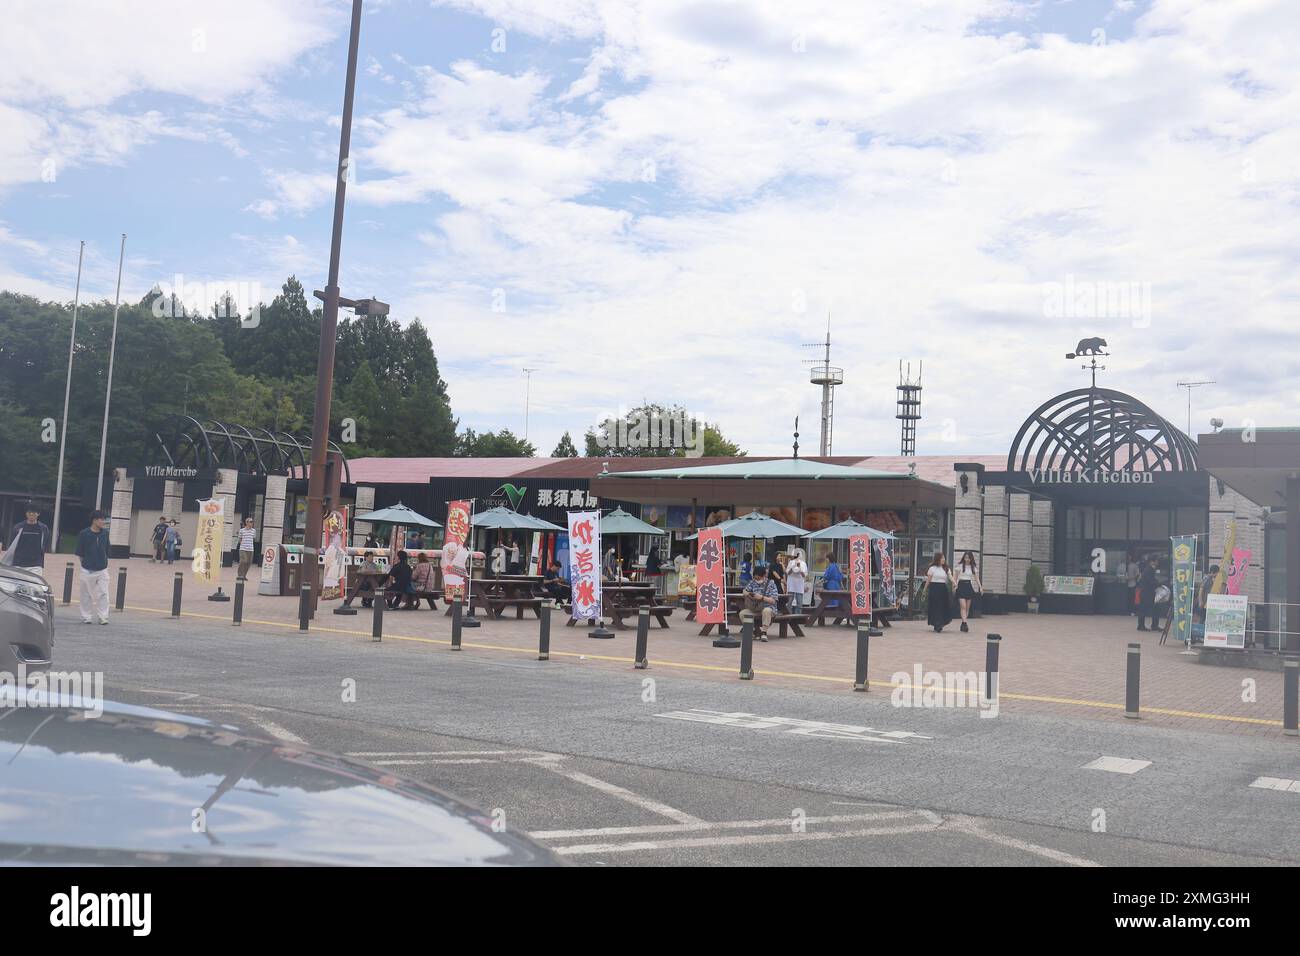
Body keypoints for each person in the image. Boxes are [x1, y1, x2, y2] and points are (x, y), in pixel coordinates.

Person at [74, 510, 111, 625]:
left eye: (104, 519)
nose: (103, 521)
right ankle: (86, 616)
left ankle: (103, 616)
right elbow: (80, 553)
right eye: (101, 519)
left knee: (104, 593)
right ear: (94, 520)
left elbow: (107, 549)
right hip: (87, 569)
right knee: (86, 594)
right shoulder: (84, 534)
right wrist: (86, 565)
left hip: (102, 569)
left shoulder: (105, 533)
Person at [6, 503, 51, 577]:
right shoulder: (18, 527)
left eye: (34, 512)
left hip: (35, 565)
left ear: (38, 514)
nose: (31, 514)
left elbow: (45, 544)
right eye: (29, 512)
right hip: (18, 564)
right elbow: (12, 544)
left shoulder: (43, 528)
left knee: (35, 586)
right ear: (26, 513)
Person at [743, 564, 780, 641]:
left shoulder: (771, 583)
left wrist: (762, 597)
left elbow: (773, 600)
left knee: (766, 611)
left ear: (764, 575)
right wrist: (748, 594)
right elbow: (745, 590)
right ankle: (754, 630)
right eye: (755, 577)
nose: (757, 579)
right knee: (743, 613)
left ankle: (764, 633)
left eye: (758, 578)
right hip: (756, 608)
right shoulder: (752, 582)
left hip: (769, 607)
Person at [921, 553, 953, 633]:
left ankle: (941, 623)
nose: (943, 560)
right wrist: (924, 590)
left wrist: (955, 583)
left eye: (944, 558)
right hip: (934, 588)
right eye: (942, 558)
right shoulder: (932, 568)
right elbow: (928, 580)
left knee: (942, 606)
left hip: (943, 589)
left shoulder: (946, 568)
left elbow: (950, 577)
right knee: (935, 606)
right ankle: (936, 623)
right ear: (937, 559)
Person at [954, 551, 982, 633]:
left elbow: (976, 578)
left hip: (969, 586)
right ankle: (964, 623)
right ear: (963, 558)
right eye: (966, 557)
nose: (967, 559)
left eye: (968, 558)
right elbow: (955, 577)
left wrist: (980, 587)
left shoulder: (973, 568)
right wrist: (954, 586)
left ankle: (963, 623)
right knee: (963, 606)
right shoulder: (959, 567)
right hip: (961, 586)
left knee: (967, 607)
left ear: (971, 558)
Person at [1136, 555, 1159, 631]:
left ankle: (1151, 625)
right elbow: (1151, 581)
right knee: (1147, 609)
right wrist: (1159, 584)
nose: (1157, 562)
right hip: (1147, 593)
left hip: (1146, 592)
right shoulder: (1149, 570)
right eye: (1156, 561)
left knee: (1150, 609)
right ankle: (1143, 626)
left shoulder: (1148, 569)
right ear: (1152, 562)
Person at [1125, 550, 1139, 616]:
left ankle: (1132, 611)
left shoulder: (1134, 565)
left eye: (1128, 557)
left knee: (1132, 598)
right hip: (1123, 585)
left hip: (1132, 584)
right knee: (1126, 598)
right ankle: (1126, 611)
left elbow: (1137, 574)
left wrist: (1131, 578)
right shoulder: (1122, 565)